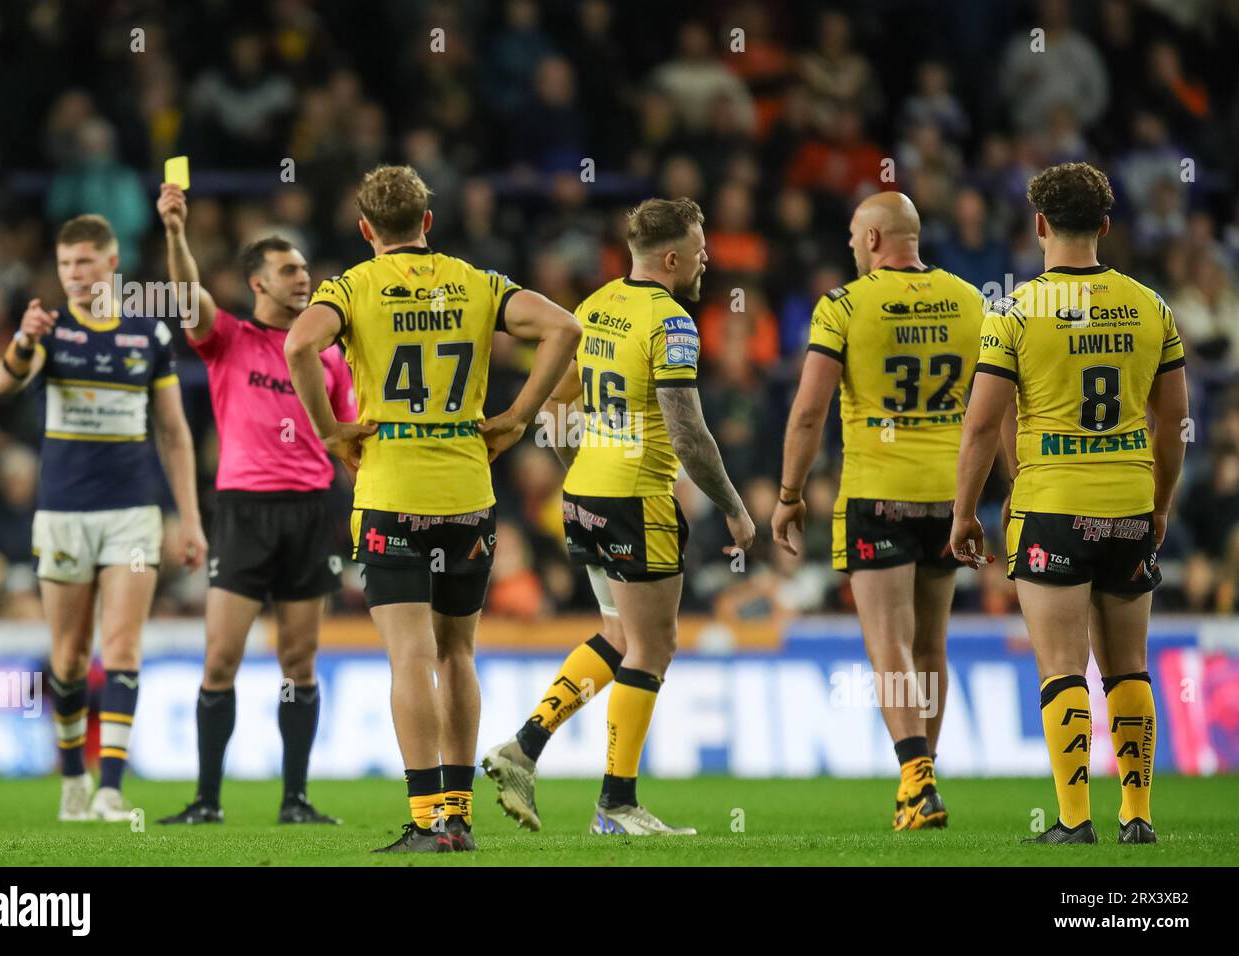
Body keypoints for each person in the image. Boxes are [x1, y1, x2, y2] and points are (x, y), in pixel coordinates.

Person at [284, 165, 581, 852]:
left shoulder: (353, 286)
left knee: (410, 658)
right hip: (467, 493)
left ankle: (424, 821)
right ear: (429, 222)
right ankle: (459, 818)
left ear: (365, 230)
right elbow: (564, 328)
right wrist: (515, 417)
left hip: (392, 492)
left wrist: (330, 430)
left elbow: (299, 343)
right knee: (457, 653)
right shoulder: (476, 282)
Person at [484, 198, 755, 836]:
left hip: (584, 493)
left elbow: (558, 394)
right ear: (672, 258)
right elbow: (688, 433)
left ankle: (523, 748)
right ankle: (616, 804)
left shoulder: (594, 306)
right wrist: (736, 510)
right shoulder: (673, 323)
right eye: (700, 246)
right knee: (655, 645)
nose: (708, 257)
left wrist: (586, 459)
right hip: (637, 498)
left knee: (618, 635)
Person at [949, 162, 1188, 844]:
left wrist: (966, 513)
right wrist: (1160, 503)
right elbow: (1172, 423)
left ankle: (1075, 821)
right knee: (1128, 664)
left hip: (1052, 504)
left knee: (1062, 665)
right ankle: (1137, 818)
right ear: (1107, 226)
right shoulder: (1152, 307)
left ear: (1040, 225)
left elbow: (980, 426)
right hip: (1129, 502)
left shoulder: (1015, 312)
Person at [771, 192, 988, 830]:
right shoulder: (971, 300)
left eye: (850, 237)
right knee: (931, 644)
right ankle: (926, 772)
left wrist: (789, 494)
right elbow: (999, 404)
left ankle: (915, 777)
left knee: (889, 643)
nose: (848, 248)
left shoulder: (844, 306)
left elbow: (809, 411)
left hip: (878, 494)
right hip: (949, 498)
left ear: (871, 240)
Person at [154, 183, 356, 826]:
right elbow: (188, 296)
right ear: (257, 283)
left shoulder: (329, 355)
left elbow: (350, 440)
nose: (304, 278)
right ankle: (207, 800)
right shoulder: (229, 339)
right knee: (221, 658)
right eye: (290, 269)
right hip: (242, 511)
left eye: (305, 268)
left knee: (299, 660)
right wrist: (177, 233)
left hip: (310, 512)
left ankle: (295, 799)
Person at [0, 214, 206, 821]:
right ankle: (71, 778)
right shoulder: (48, 331)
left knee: (122, 646)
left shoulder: (147, 333)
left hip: (133, 515)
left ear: (112, 265)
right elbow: (3, 384)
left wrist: (188, 518)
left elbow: (173, 432)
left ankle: (110, 787)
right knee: (66, 657)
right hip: (62, 513)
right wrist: (24, 340)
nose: (75, 275)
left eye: (85, 262)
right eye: (65, 265)